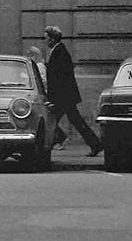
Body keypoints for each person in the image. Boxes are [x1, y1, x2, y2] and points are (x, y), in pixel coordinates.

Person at [43, 25, 103, 156]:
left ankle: (56, 140)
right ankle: (94, 143)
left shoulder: (60, 52)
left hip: (62, 96)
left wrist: (52, 98)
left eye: (47, 38)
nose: (45, 41)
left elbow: (58, 78)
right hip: (65, 96)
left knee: (51, 121)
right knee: (73, 120)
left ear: (53, 39)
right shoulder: (59, 50)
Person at [27, 46, 68, 149]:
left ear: (35, 55)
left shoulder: (39, 66)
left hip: (43, 95)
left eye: (30, 55)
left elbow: (43, 81)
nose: (28, 57)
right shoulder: (37, 65)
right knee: (49, 119)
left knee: (47, 118)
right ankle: (58, 139)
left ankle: (59, 138)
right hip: (42, 95)